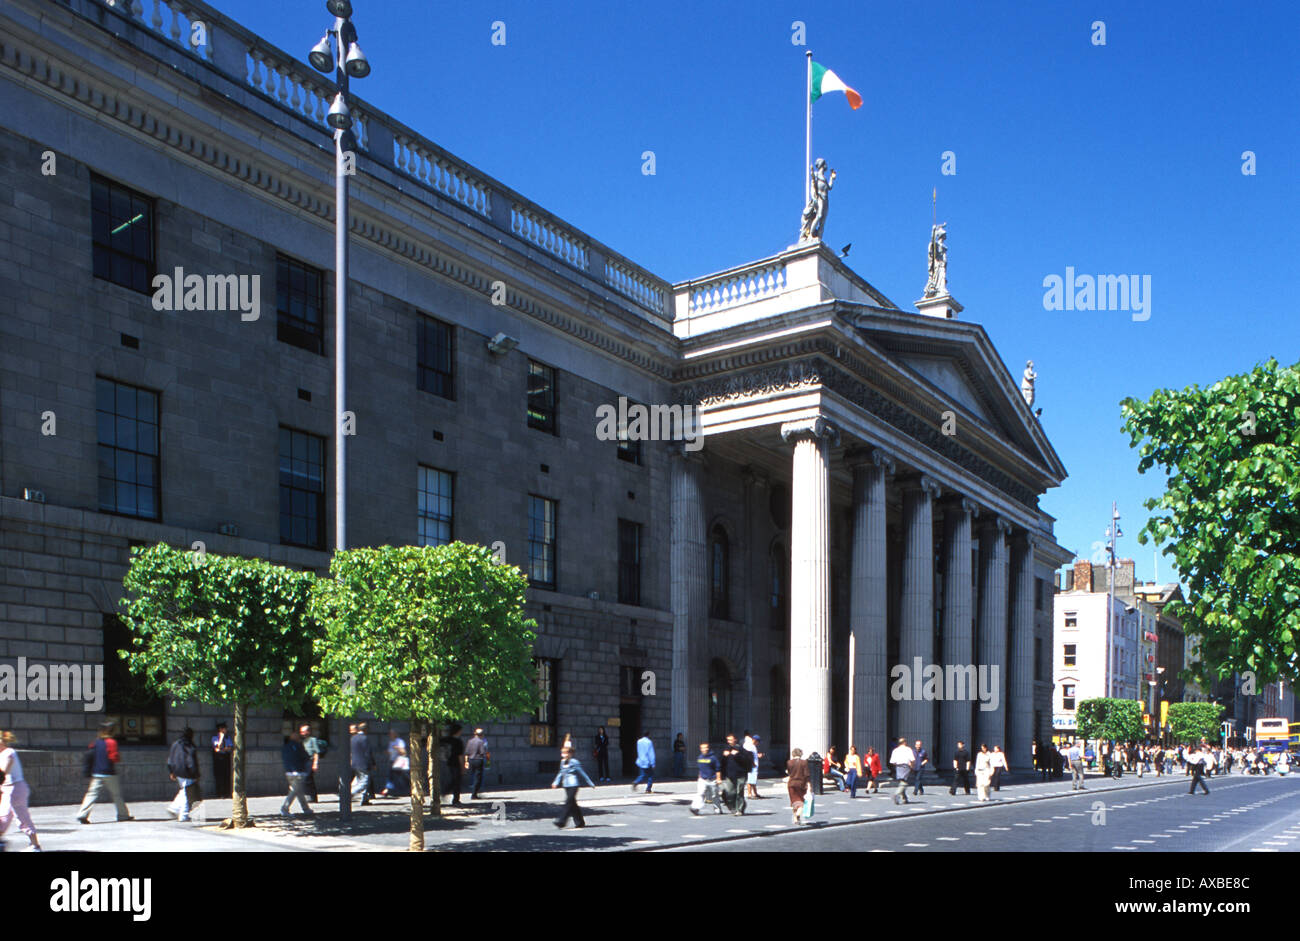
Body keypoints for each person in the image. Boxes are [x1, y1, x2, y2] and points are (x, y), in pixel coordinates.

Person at [76, 721, 133, 824]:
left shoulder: (96, 742)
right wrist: (118, 758)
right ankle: (123, 815)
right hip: (109, 772)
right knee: (116, 795)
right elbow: (114, 757)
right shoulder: (111, 742)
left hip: (97, 772)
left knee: (91, 794)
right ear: (112, 731)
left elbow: (90, 754)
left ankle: (82, 814)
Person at [0, 731, 40, 851]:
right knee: (3, 817)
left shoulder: (9, 752)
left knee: (21, 817)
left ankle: (35, 845)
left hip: (15, 789)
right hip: (7, 789)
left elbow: (4, 771)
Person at [550, 745, 595, 828]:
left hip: (574, 785)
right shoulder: (562, 762)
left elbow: (582, 772)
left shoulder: (574, 762)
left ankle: (561, 821)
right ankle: (580, 822)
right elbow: (561, 773)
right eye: (562, 753)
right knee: (573, 804)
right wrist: (556, 782)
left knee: (568, 802)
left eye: (565, 753)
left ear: (570, 753)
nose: (563, 755)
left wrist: (590, 782)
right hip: (566, 785)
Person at [165, 727, 201, 822]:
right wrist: (196, 774)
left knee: (183, 790)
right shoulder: (189, 745)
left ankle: (174, 808)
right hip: (187, 772)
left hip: (177, 771)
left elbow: (170, 759)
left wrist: (171, 771)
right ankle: (184, 815)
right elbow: (191, 762)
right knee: (186, 793)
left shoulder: (175, 744)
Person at [281, 726, 313, 816]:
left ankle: (306, 809)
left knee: (299, 791)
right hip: (298, 772)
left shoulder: (285, 746)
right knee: (294, 790)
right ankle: (284, 808)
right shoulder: (299, 745)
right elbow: (305, 757)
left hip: (289, 772)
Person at [719, 733, 752, 815]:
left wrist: (737, 755)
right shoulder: (726, 749)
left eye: (730, 739)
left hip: (740, 774)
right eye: (728, 740)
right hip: (729, 775)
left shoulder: (740, 749)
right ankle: (733, 807)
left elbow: (747, 759)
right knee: (729, 792)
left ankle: (739, 809)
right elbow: (721, 762)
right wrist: (723, 756)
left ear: (735, 739)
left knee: (739, 792)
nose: (729, 741)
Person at [690, 741, 723, 816]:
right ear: (700, 749)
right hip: (702, 779)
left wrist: (718, 778)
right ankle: (695, 808)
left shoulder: (713, 758)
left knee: (715, 796)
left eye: (705, 747)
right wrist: (699, 777)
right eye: (702, 748)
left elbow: (718, 769)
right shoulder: (700, 757)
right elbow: (700, 769)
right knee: (700, 793)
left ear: (708, 748)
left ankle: (717, 809)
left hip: (712, 780)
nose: (704, 749)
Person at [350, 722, 375, 806]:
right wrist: (372, 763)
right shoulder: (364, 738)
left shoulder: (353, 738)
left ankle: (365, 799)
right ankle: (349, 793)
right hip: (363, 763)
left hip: (354, 763)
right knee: (364, 781)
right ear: (365, 729)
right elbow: (368, 753)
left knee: (359, 780)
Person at [301, 723, 327, 802]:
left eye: (303, 731)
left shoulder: (313, 740)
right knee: (307, 778)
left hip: (310, 760)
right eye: (301, 732)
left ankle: (311, 796)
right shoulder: (304, 741)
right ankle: (310, 796)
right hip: (304, 761)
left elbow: (316, 752)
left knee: (308, 778)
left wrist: (315, 763)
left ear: (308, 731)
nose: (302, 733)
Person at [441, 723, 466, 806]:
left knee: (454, 780)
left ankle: (446, 792)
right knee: (457, 782)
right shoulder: (458, 742)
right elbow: (460, 756)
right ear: (458, 731)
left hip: (449, 762)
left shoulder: (448, 739)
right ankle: (455, 799)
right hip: (456, 763)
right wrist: (463, 767)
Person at [380, 729, 409, 797]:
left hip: (399, 762)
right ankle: (388, 790)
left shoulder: (399, 741)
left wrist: (397, 748)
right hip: (392, 761)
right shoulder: (391, 742)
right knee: (391, 776)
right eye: (389, 734)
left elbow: (404, 752)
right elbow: (390, 751)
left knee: (404, 777)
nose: (390, 735)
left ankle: (388, 790)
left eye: (391, 733)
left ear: (395, 734)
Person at [785, 747, 811, 825]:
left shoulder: (789, 762)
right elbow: (807, 774)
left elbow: (789, 772)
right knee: (801, 802)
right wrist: (809, 784)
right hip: (801, 784)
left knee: (794, 802)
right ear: (800, 754)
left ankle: (795, 819)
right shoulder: (804, 762)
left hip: (791, 784)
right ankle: (798, 815)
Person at [464, 727, 490, 799]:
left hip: (471, 760)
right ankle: (474, 794)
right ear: (481, 734)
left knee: (472, 776)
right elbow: (483, 752)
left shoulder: (470, 741)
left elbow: (467, 752)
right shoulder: (481, 742)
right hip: (478, 760)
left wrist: (466, 761)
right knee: (478, 777)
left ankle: (473, 791)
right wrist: (487, 759)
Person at [889, 738, 915, 805]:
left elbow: (892, 761)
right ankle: (896, 794)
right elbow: (912, 759)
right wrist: (911, 766)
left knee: (902, 782)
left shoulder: (895, 750)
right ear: (904, 742)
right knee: (904, 783)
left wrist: (897, 765)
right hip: (905, 766)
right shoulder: (908, 749)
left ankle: (904, 798)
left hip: (898, 767)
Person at [210, 722, 233, 799]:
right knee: (219, 776)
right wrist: (221, 738)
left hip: (226, 757)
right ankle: (220, 793)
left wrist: (222, 748)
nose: (226, 730)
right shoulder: (214, 738)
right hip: (218, 758)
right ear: (220, 729)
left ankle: (227, 793)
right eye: (224, 728)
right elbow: (217, 748)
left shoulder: (228, 738)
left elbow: (229, 748)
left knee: (227, 775)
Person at [744, 732, 763, 799]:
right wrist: (752, 763)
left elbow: (753, 755)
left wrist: (758, 756)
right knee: (750, 780)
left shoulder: (753, 746)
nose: (758, 743)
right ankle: (749, 793)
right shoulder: (750, 746)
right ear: (755, 740)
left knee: (753, 779)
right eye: (758, 742)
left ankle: (755, 793)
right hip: (752, 765)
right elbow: (749, 756)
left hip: (754, 764)